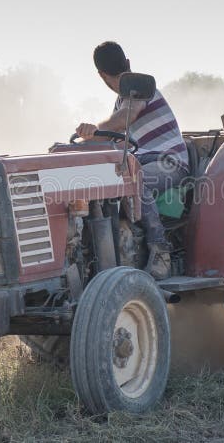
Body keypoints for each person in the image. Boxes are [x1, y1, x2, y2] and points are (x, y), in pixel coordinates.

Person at [76, 41, 189, 280]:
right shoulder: (121, 102)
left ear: (101, 75)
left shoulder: (138, 86)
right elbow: (118, 140)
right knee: (106, 185)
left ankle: (160, 251)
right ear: (127, 61)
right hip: (141, 160)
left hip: (170, 161)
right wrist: (83, 144)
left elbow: (127, 116)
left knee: (137, 181)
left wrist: (94, 129)